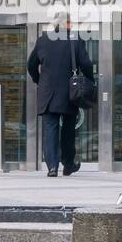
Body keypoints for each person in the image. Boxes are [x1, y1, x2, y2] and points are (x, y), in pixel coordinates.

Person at [27, 12, 94, 177]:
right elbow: (86, 63)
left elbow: (31, 64)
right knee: (68, 130)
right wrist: (90, 80)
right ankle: (68, 164)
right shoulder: (75, 40)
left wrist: (38, 80)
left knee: (51, 128)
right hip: (70, 93)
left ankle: (52, 167)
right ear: (68, 24)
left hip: (47, 92)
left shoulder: (43, 40)